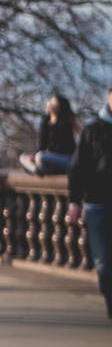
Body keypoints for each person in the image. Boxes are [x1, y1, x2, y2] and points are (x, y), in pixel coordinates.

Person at [68, 84, 112, 318]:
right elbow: (77, 168)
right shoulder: (93, 130)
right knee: (103, 262)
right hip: (97, 203)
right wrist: (74, 202)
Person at [20, 94, 79, 176]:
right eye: (49, 102)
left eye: (53, 103)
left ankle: (37, 170)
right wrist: (33, 156)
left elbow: (60, 148)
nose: (49, 104)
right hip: (49, 159)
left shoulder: (65, 123)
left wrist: (41, 154)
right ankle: (40, 170)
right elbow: (42, 145)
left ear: (59, 107)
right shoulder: (45, 121)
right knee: (23, 157)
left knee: (41, 157)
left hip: (66, 159)